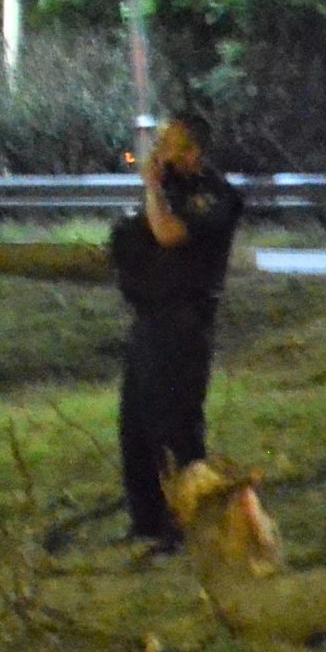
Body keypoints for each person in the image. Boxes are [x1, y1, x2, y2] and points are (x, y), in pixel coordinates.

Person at [110, 114, 245, 550]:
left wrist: (151, 188)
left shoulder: (214, 196)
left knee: (177, 427)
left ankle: (188, 521)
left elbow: (168, 234)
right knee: (136, 425)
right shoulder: (168, 192)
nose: (160, 153)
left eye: (170, 144)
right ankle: (147, 519)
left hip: (184, 325)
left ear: (193, 152)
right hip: (148, 321)